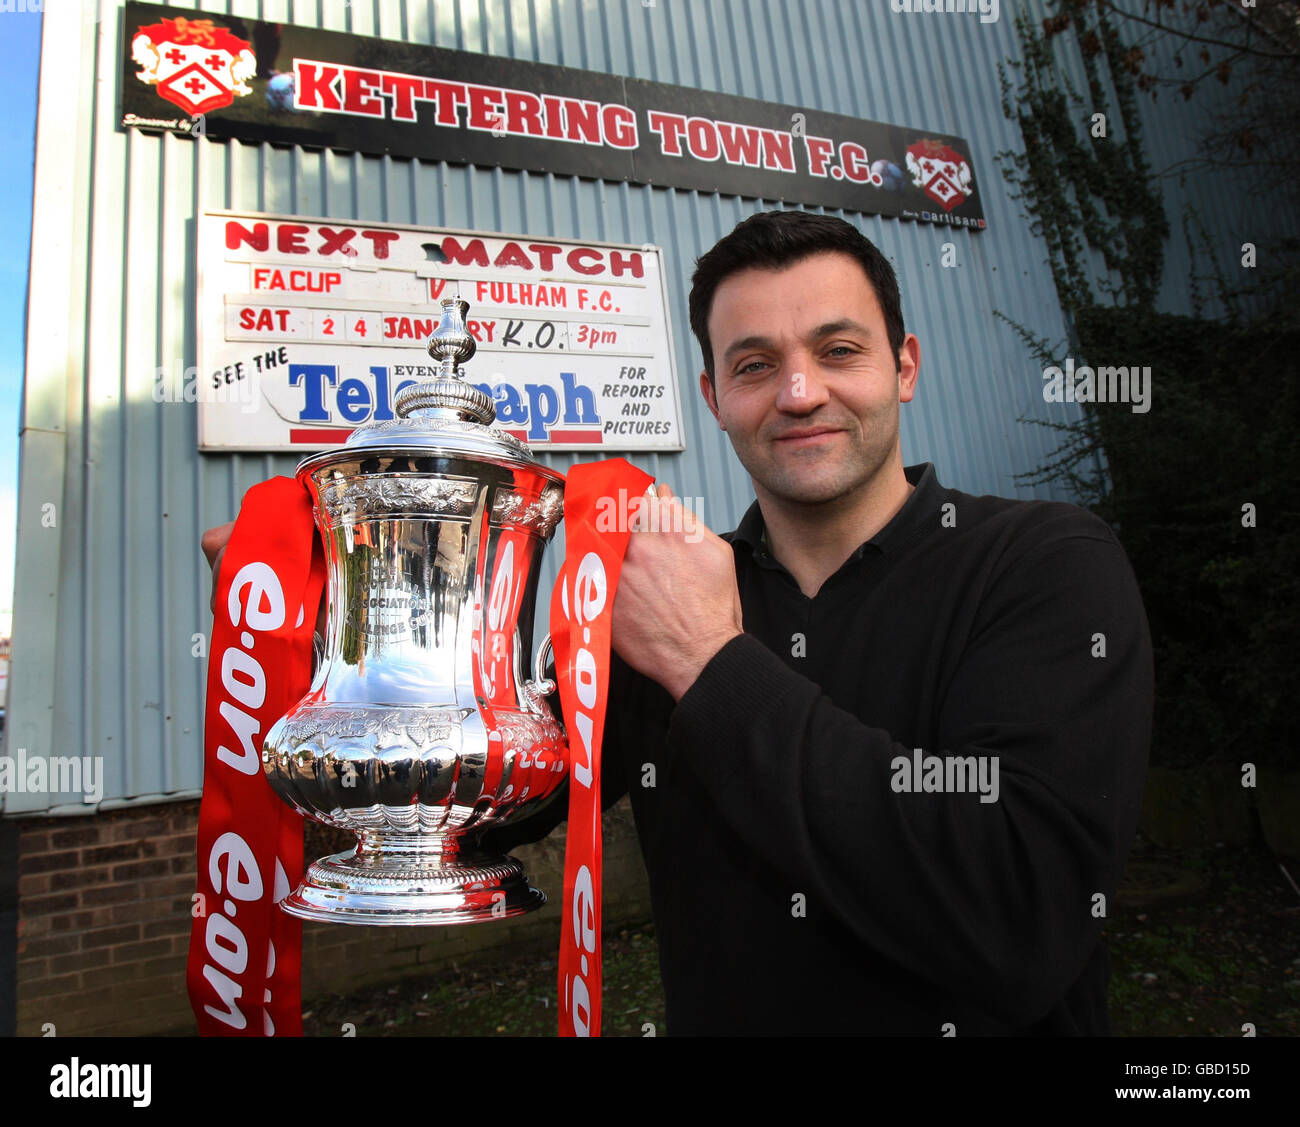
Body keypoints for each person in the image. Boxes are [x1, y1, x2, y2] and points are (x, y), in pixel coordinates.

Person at [203, 209, 1153, 1036]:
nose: (798, 392)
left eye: (839, 350)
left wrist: (708, 660)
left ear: (903, 366)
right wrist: (374, 633)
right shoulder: (655, 597)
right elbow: (488, 817)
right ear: (712, 397)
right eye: (754, 364)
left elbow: (1020, 917)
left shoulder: (1043, 563)